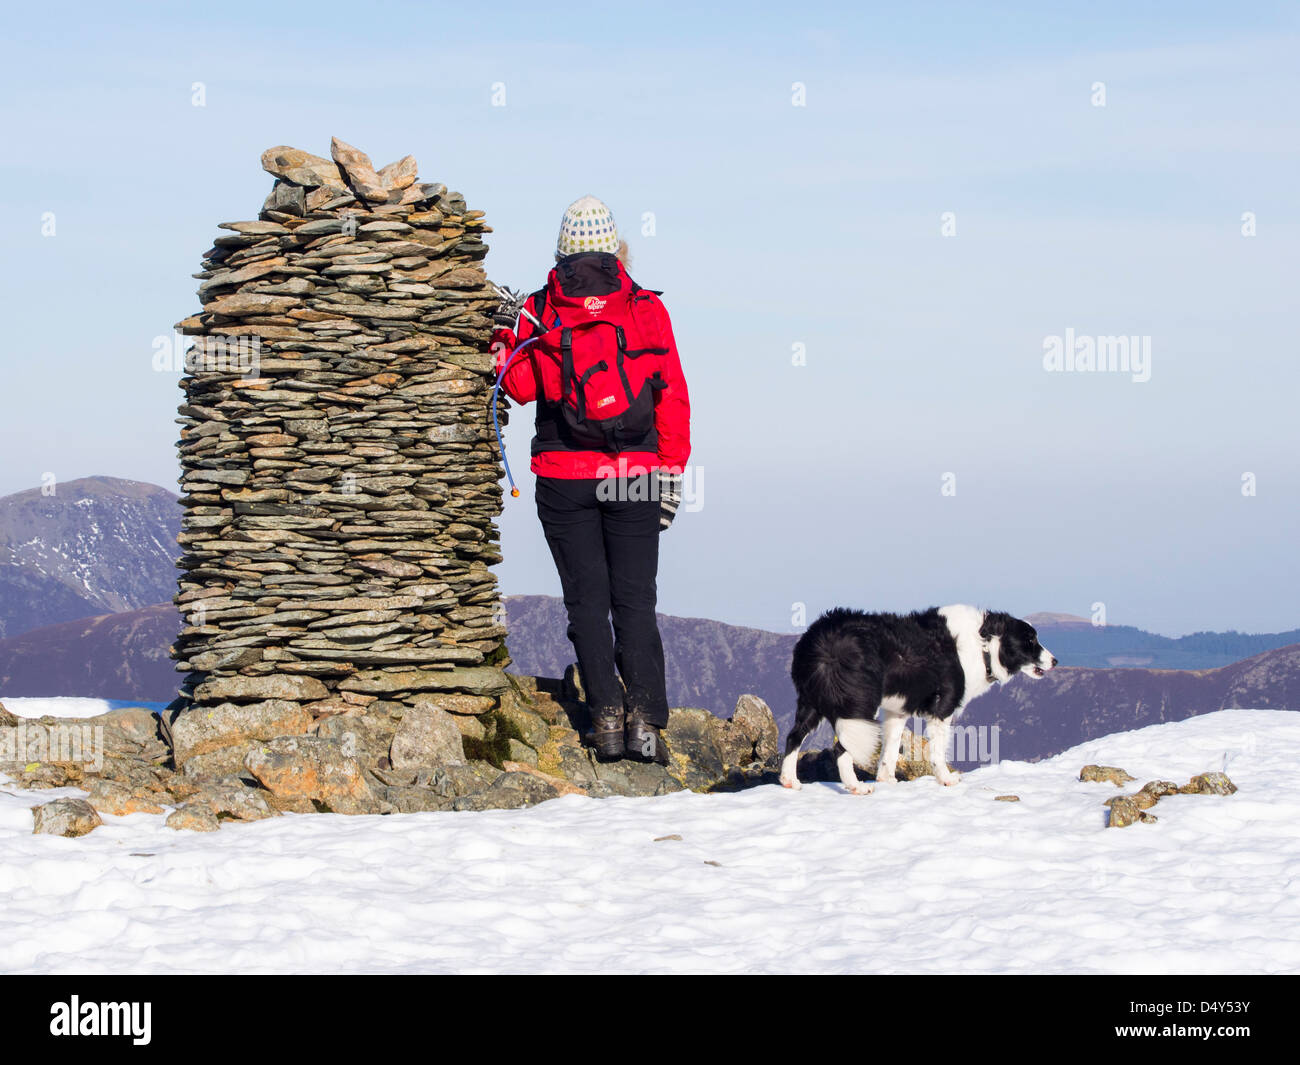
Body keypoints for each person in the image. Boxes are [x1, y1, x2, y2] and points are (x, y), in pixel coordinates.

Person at [491, 195, 690, 763]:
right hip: (635, 475)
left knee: (587, 600)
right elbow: (671, 396)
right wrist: (670, 473)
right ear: (615, 249)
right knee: (635, 600)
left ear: (562, 252)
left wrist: (505, 336)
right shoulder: (647, 309)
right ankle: (646, 722)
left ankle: (605, 717)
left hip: (563, 475)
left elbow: (522, 387)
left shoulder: (538, 309)